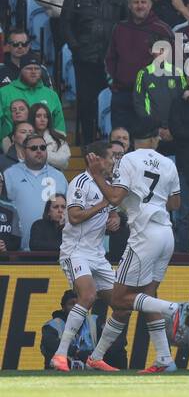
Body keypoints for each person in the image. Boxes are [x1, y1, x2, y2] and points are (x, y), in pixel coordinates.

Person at [85, 126, 189, 374]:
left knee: (120, 298)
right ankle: (164, 359)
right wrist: (148, 199)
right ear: (155, 139)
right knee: (145, 299)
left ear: (134, 140)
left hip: (144, 235)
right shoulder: (167, 162)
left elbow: (114, 197)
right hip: (166, 233)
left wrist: (97, 174)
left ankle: (174, 309)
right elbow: (175, 203)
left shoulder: (129, 159)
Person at [49, 141, 121, 371]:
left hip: (98, 255)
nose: (113, 162)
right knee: (88, 295)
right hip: (75, 251)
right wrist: (102, 205)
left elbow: (114, 216)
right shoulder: (80, 182)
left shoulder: (108, 185)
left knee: (122, 305)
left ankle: (97, 356)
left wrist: (115, 220)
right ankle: (60, 354)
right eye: (110, 157)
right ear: (96, 159)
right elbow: (75, 216)